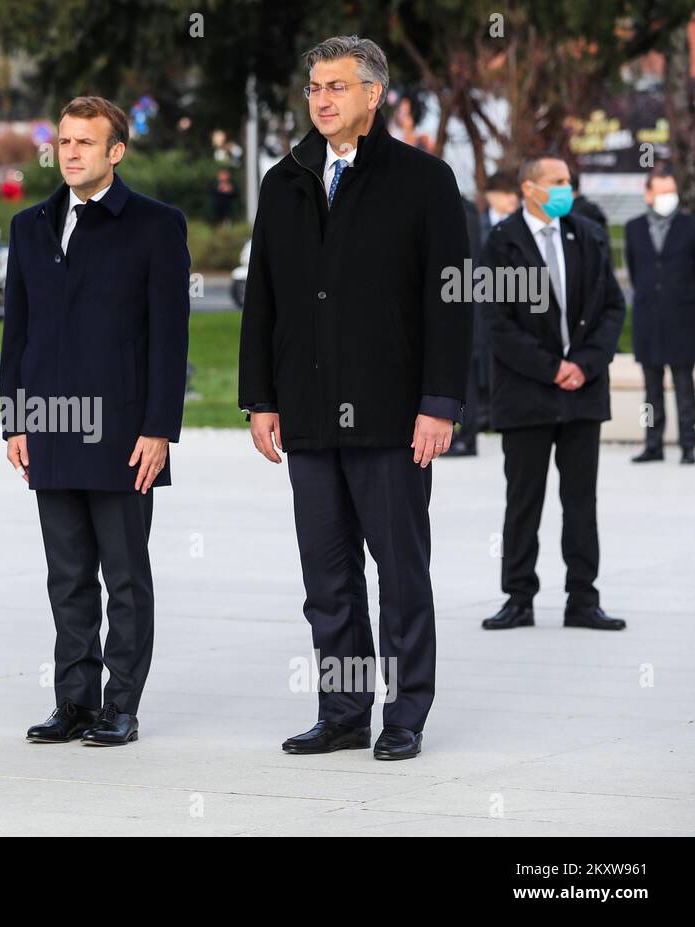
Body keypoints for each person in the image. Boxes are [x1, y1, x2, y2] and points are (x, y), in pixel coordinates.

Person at [238, 36, 471, 761]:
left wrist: (439, 401)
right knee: (328, 580)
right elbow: (263, 299)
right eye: (314, 88)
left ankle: (405, 714)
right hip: (307, 415)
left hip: (394, 416)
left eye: (337, 86)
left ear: (374, 95)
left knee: (399, 576)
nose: (323, 100)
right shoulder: (285, 180)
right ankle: (342, 711)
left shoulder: (424, 181)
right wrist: (259, 398)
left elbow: (450, 301)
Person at [1, 95, 190, 747]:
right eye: (64, 141)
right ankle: (73, 701)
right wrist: (14, 420)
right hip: (50, 429)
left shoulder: (155, 226)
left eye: (86, 142)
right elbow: (16, 331)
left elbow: (171, 337)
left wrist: (160, 427)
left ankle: (121, 706)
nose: (71, 152)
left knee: (126, 578)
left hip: (123, 435)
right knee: (68, 577)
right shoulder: (29, 226)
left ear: (116, 151)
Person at [481, 155, 627, 632]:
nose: (568, 188)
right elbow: (497, 324)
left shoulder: (586, 235)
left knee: (581, 501)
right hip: (527, 394)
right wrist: (551, 368)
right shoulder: (502, 243)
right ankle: (518, 597)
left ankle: (583, 599)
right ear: (529, 188)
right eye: (558, 181)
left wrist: (583, 366)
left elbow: (611, 307)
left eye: (569, 180)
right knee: (524, 500)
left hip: (582, 393)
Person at [624, 165, 695, 464]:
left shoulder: (691, 226)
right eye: (662, 192)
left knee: (684, 388)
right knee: (650, 391)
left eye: (672, 192)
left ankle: (688, 445)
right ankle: (652, 444)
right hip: (648, 321)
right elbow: (633, 268)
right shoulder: (634, 228)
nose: (668, 197)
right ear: (649, 193)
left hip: (683, 321)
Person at [447, 171, 521, 457]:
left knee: (467, 374)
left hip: (470, 301)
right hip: (470, 299)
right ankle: (466, 434)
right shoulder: (470, 213)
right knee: (466, 373)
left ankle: (468, 436)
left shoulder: (464, 214)